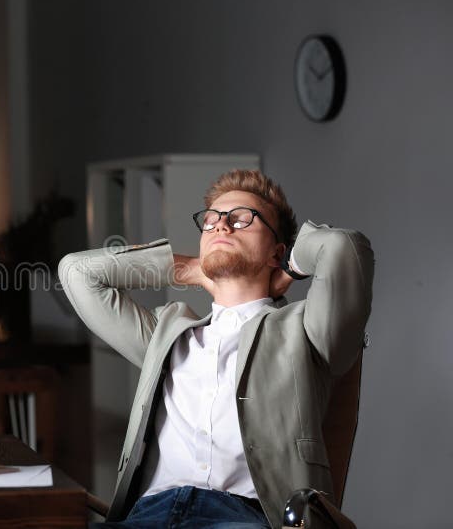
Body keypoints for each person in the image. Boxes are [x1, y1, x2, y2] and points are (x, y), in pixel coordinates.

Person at [58, 169, 374, 528]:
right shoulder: (166, 336)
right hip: (147, 515)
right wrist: (190, 269)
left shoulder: (304, 333)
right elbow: (76, 272)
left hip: (244, 517)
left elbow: (345, 248)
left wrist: (290, 268)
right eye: (210, 222)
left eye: (241, 220)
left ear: (276, 251)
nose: (221, 226)